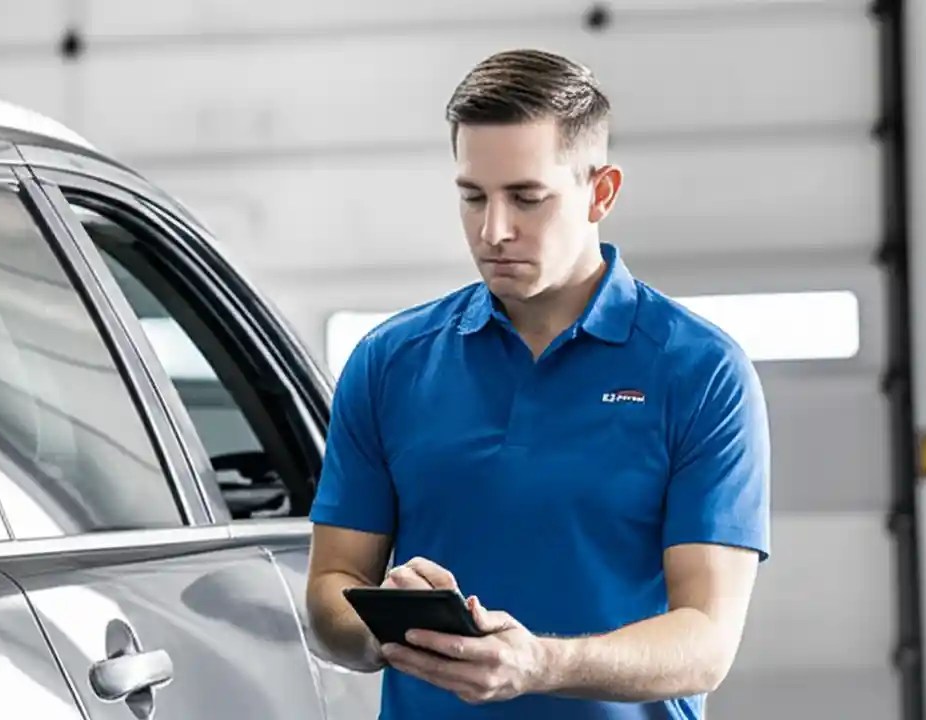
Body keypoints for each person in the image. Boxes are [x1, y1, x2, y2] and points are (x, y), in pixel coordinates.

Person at [305, 48, 770, 720]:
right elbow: (329, 593)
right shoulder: (389, 363)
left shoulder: (700, 372)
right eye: (473, 197)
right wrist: (386, 625)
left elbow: (706, 641)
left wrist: (539, 665)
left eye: (527, 198)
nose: (494, 230)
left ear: (600, 192)